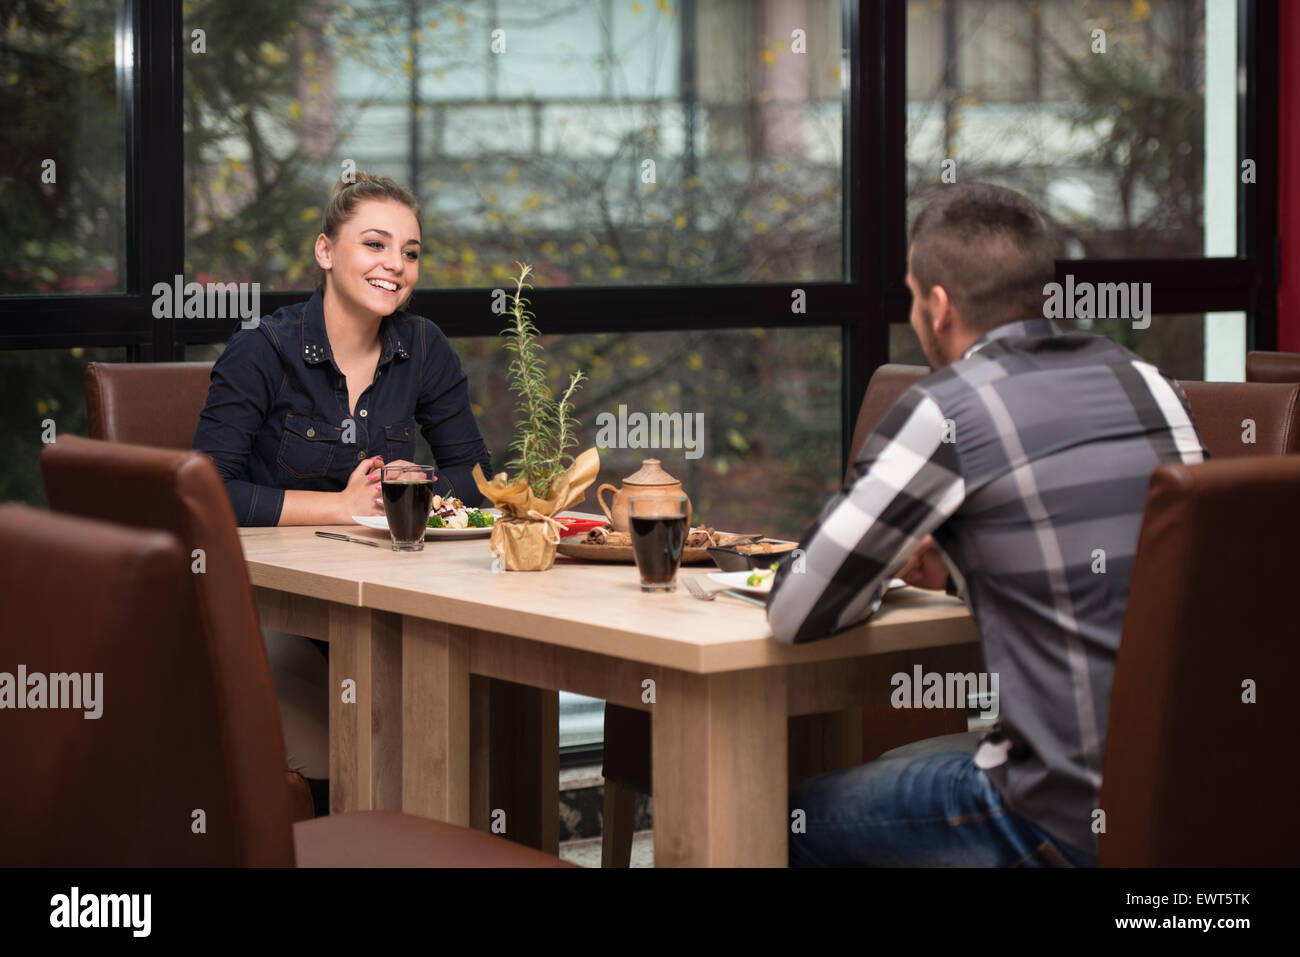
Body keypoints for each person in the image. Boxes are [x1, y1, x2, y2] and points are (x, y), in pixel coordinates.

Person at [768, 183, 1208, 867]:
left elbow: (798, 610)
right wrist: (955, 568)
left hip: (1058, 805)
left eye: (913, 296)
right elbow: (1126, 570)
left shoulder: (947, 408)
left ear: (937, 306)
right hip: (1203, 792)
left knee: (777, 818)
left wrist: (879, 569)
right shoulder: (1152, 383)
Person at [193, 173, 492, 809]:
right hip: (272, 605)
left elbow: (474, 474)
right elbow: (205, 491)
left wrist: (417, 490)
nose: (396, 266)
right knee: (377, 728)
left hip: (387, 600)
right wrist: (340, 508)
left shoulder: (423, 347)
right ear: (326, 251)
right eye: (375, 245)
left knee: (475, 707)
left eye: (410, 252)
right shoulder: (260, 352)